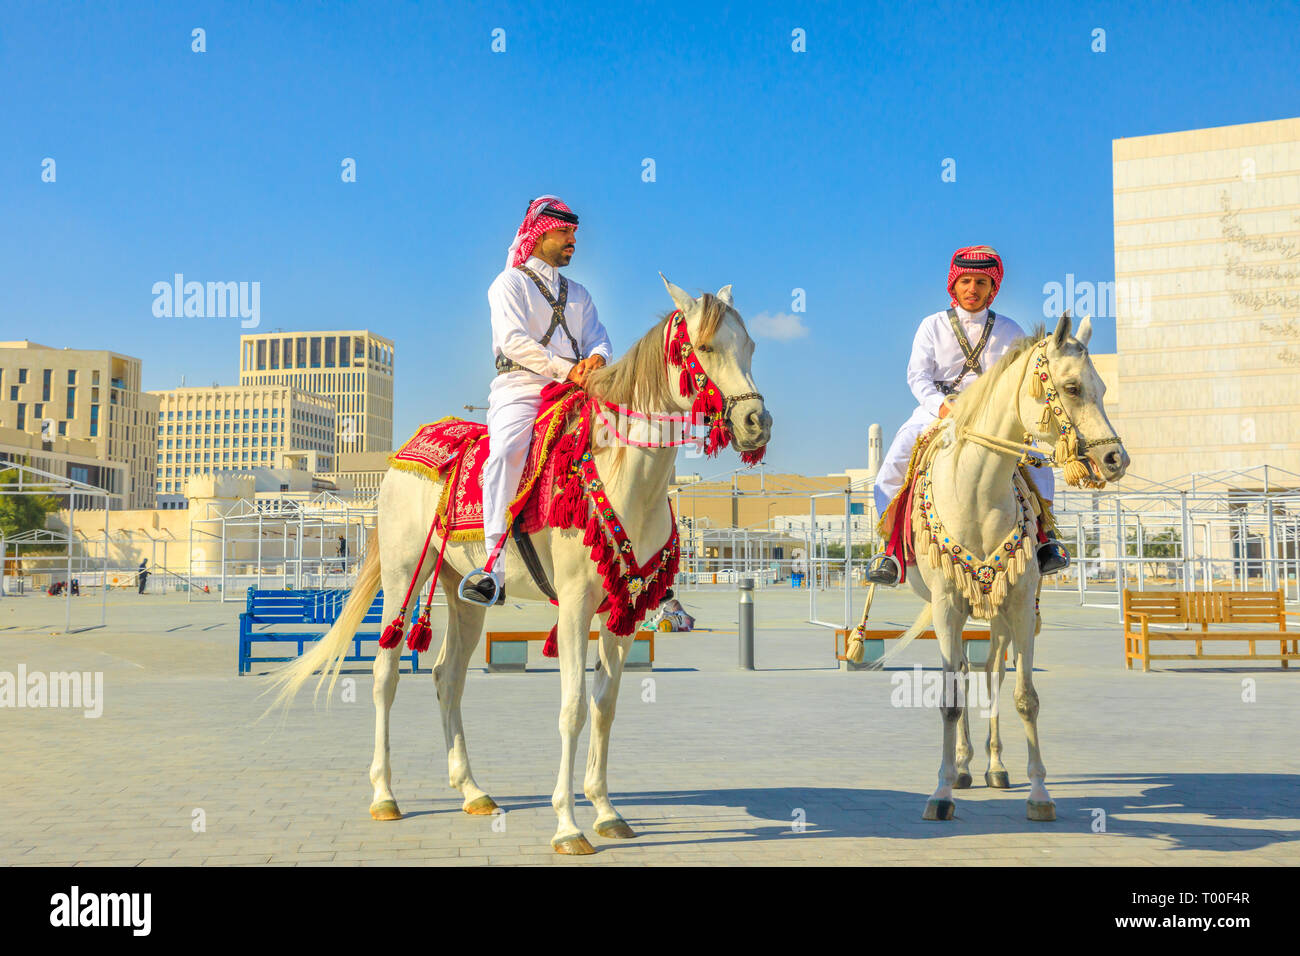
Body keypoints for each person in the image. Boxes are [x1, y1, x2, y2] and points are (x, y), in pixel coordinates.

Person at [866, 246, 1069, 586]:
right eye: (966, 282)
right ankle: (891, 550)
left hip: (993, 415)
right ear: (954, 285)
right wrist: (943, 406)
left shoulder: (1010, 329)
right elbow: (917, 376)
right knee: (898, 455)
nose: (972, 289)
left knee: (1038, 460)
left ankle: (1045, 541)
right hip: (939, 410)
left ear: (993, 288)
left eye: (981, 282)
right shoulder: (931, 325)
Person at [462, 196, 614, 606]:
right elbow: (513, 341)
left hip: (576, 390)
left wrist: (597, 357)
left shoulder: (579, 293)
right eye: (565, 233)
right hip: (522, 389)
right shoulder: (508, 284)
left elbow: (599, 336)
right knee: (508, 450)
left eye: (574, 234)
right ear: (542, 232)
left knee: (626, 439)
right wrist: (568, 369)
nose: (572, 241)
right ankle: (492, 566)